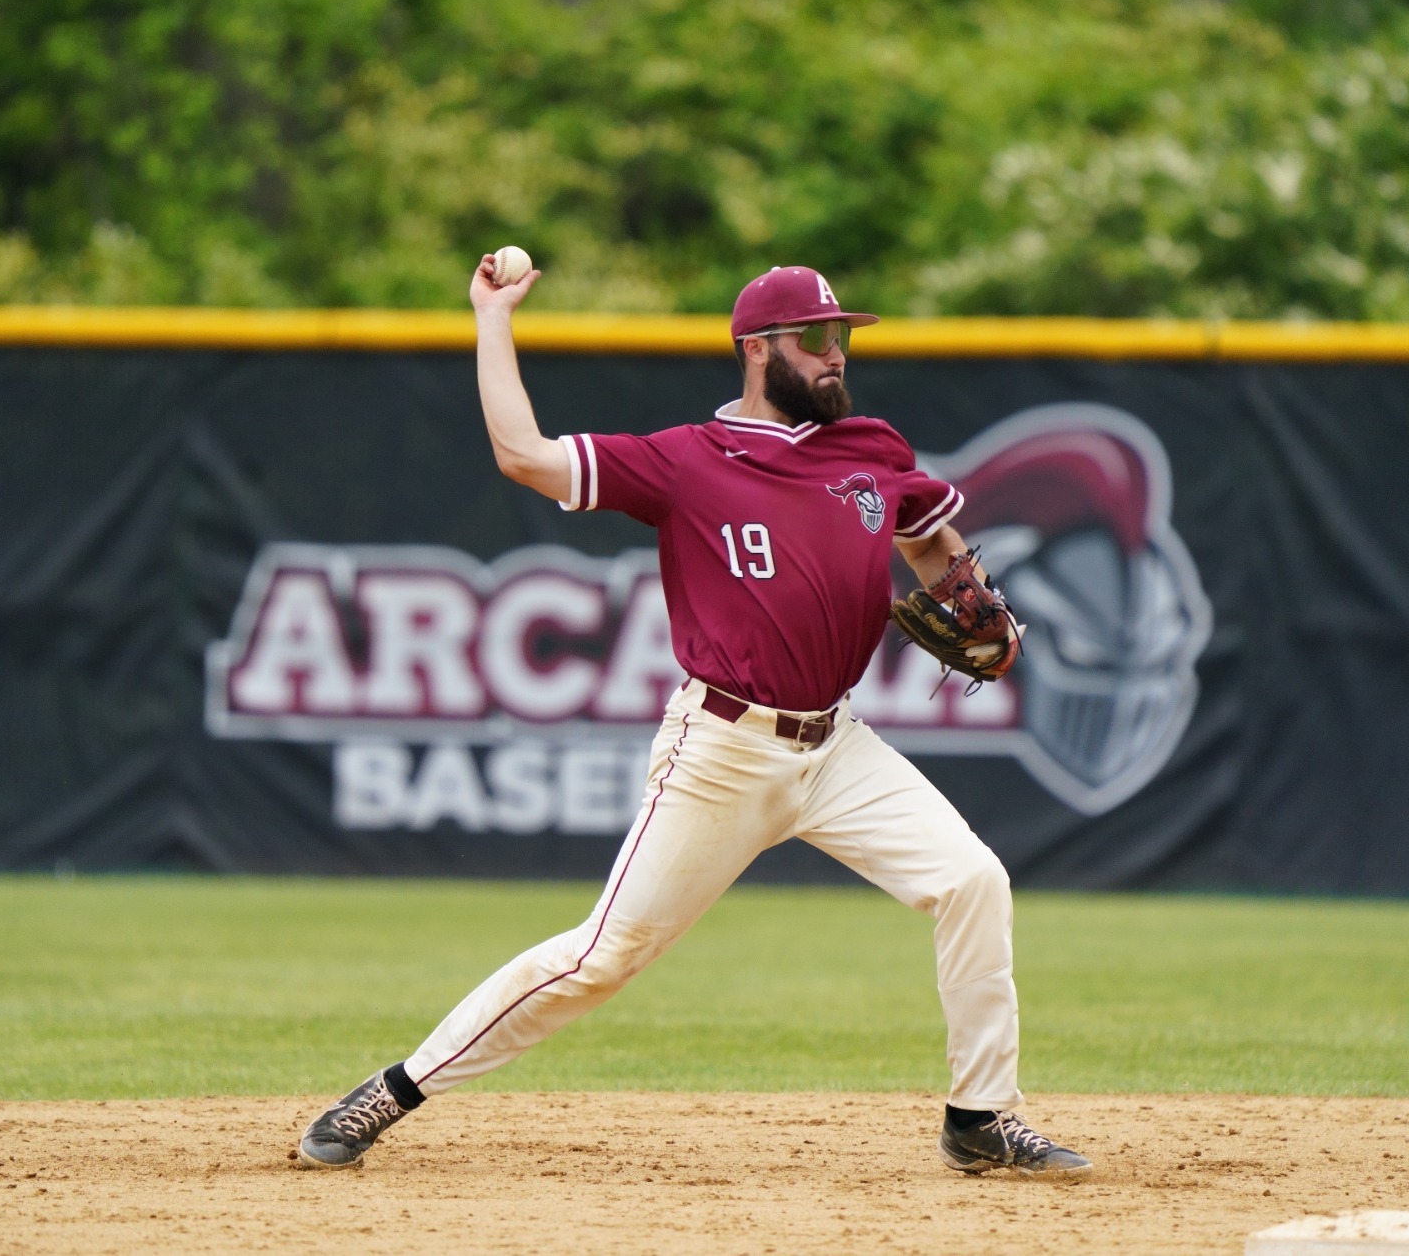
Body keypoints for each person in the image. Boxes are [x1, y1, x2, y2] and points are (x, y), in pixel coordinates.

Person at [293, 257, 1091, 1179]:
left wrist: (974, 597)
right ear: (758, 349)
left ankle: (980, 1115)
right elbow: (523, 454)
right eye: (816, 340)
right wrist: (491, 318)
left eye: (843, 339)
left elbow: (928, 534)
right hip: (722, 749)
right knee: (603, 956)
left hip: (835, 748)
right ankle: (392, 1088)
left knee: (972, 881)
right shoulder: (686, 461)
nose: (836, 356)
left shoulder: (870, 447)